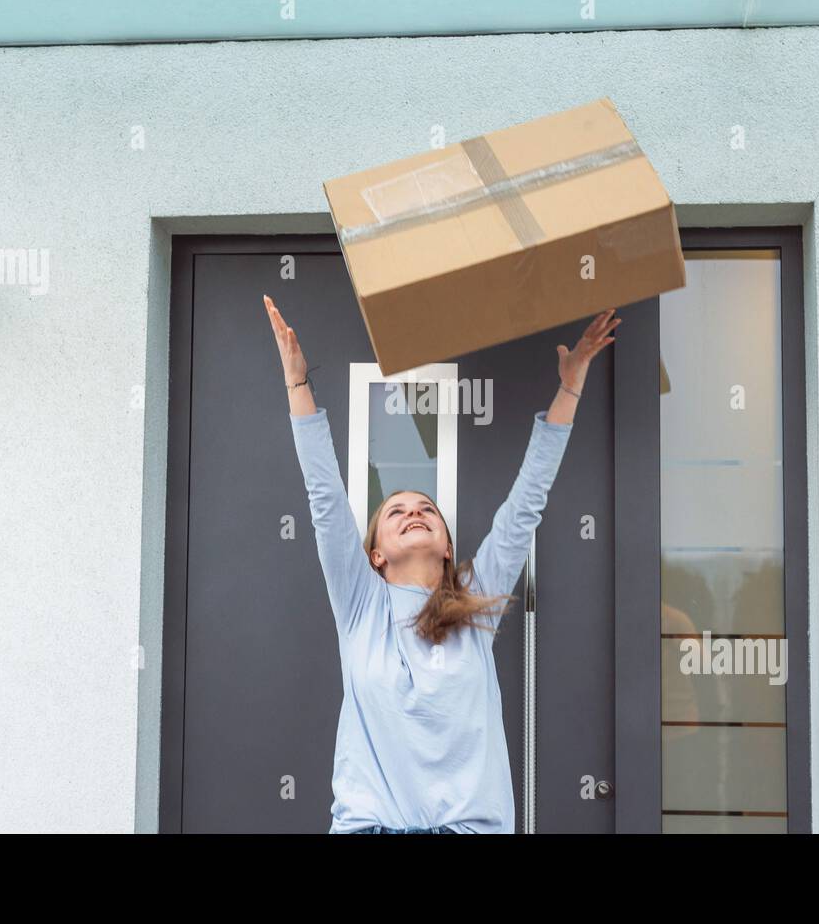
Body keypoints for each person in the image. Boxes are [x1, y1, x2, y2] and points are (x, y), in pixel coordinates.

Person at [264, 294, 619, 833]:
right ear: (375, 554)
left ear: (448, 546)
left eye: (426, 508)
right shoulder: (361, 605)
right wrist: (297, 384)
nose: (414, 512)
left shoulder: (474, 607)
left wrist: (570, 386)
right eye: (397, 511)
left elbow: (526, 504)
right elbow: (325, 498)